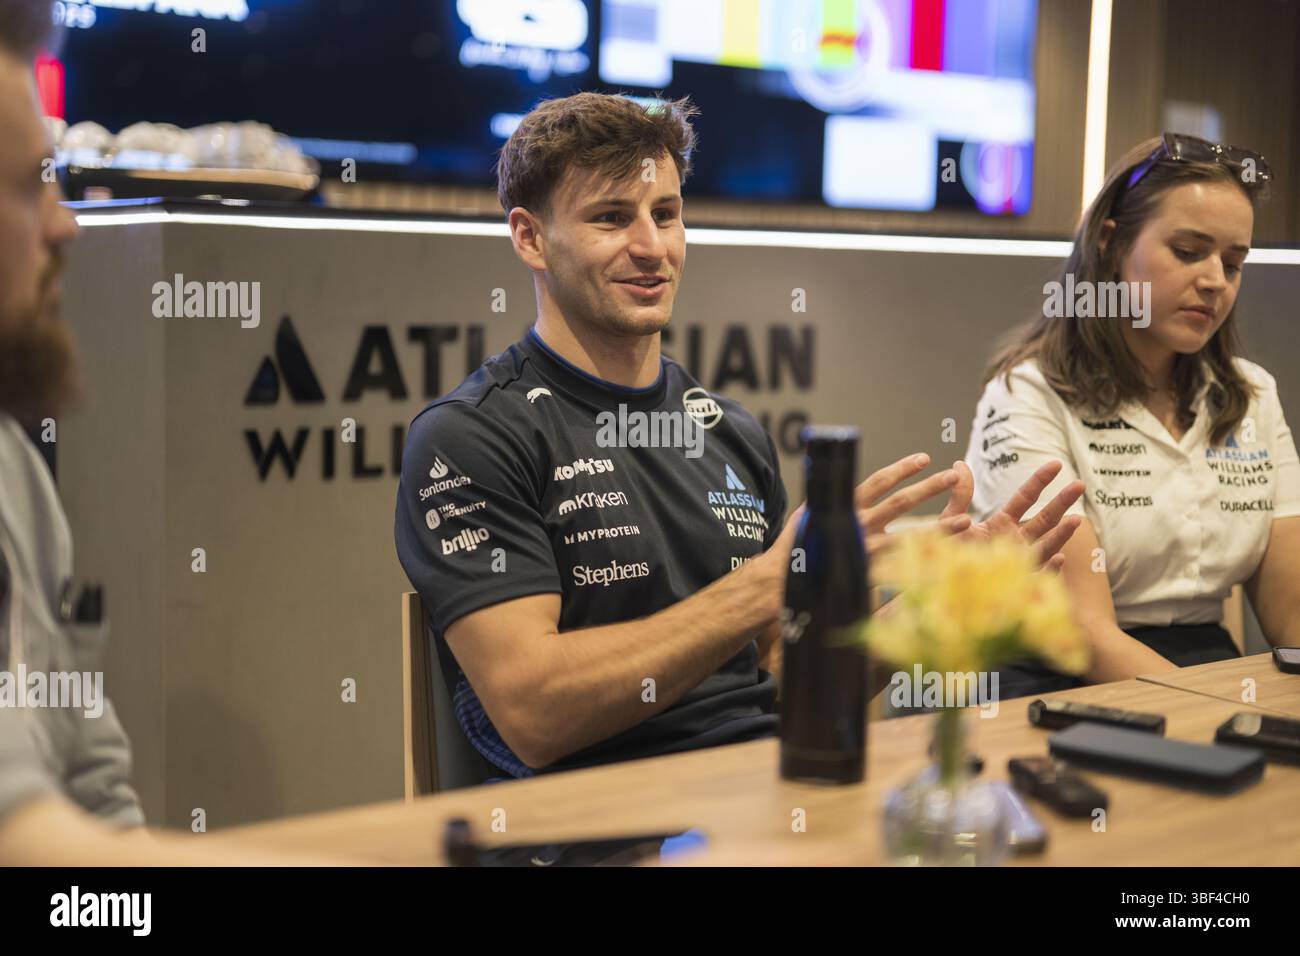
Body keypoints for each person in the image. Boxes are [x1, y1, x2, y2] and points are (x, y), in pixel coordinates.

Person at [394, 91, 1083, 781]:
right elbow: (533, 711)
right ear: (530, 238)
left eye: (666, 214)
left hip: (769, 791)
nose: (651, 246)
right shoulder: (471, 437)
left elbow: (777, 677)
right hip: (599, 828)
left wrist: (937, 610)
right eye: (611, 219)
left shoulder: (729, 431)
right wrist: (758, 590)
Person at [0, 0, 345, 865]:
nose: (65, 222)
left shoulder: (14, 465)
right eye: (25, 184)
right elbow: (28, 845)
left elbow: (94, 792)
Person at [967, 133, 1300, 699]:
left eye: (1233, 262)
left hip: (1206, 666)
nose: (1216, 280)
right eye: (1189, 251)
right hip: (1055, 680)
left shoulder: (1252, 393)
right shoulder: (1027, 394)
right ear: (1110, 244)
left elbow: (1292, 620)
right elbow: (1089, 635)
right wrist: (1232, 716)